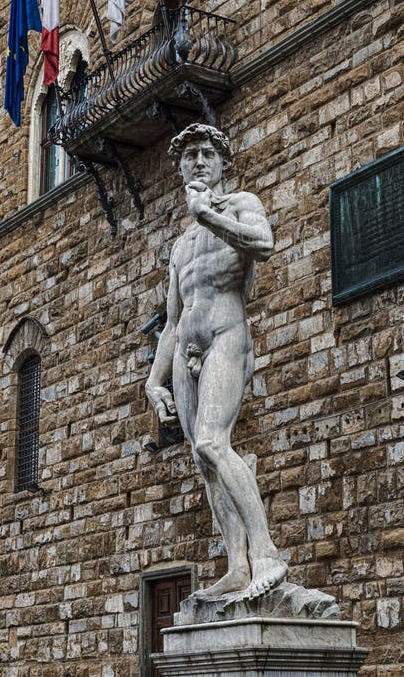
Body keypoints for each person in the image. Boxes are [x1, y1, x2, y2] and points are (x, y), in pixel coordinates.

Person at [145, 123, 288, 599]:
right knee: (202, 460)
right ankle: (238, 564)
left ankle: (266, 553)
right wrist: (154, 380)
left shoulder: (241, 204)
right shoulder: (181, 245)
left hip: (228, 336)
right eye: (190, 156)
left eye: (207, 153)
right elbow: (171, 320)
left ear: (223, 162)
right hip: (187, 348)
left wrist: (209, 216)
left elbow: (264, 244)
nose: (199, 162)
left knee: (212, 442)